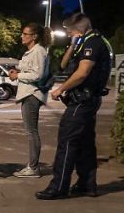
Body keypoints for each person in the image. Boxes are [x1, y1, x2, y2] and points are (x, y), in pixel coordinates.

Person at [36, 13, 114, 200]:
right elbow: (64, 65)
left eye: (69, 32)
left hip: (83, 100)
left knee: (67, 142)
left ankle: (58, 187)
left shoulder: (94, 43)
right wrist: (72, 44)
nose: (69, 34)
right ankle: (87, 185)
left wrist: (60, 89)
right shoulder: (83, 42)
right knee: (85, 144)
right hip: (85, 100)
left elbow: (82, 73)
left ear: (77, 29)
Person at [8, 23, 50, 178]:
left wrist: (17, 76)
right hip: (29, 94)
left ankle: (33, 167)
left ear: (34, 36)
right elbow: (31, 71)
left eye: (25, 34)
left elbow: (37, 75)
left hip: (32, 94)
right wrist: (18, 72)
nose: (22, 36)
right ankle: (32, 166)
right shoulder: (33, 51)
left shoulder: (38, 51)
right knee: (31, 131)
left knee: (31, 131)